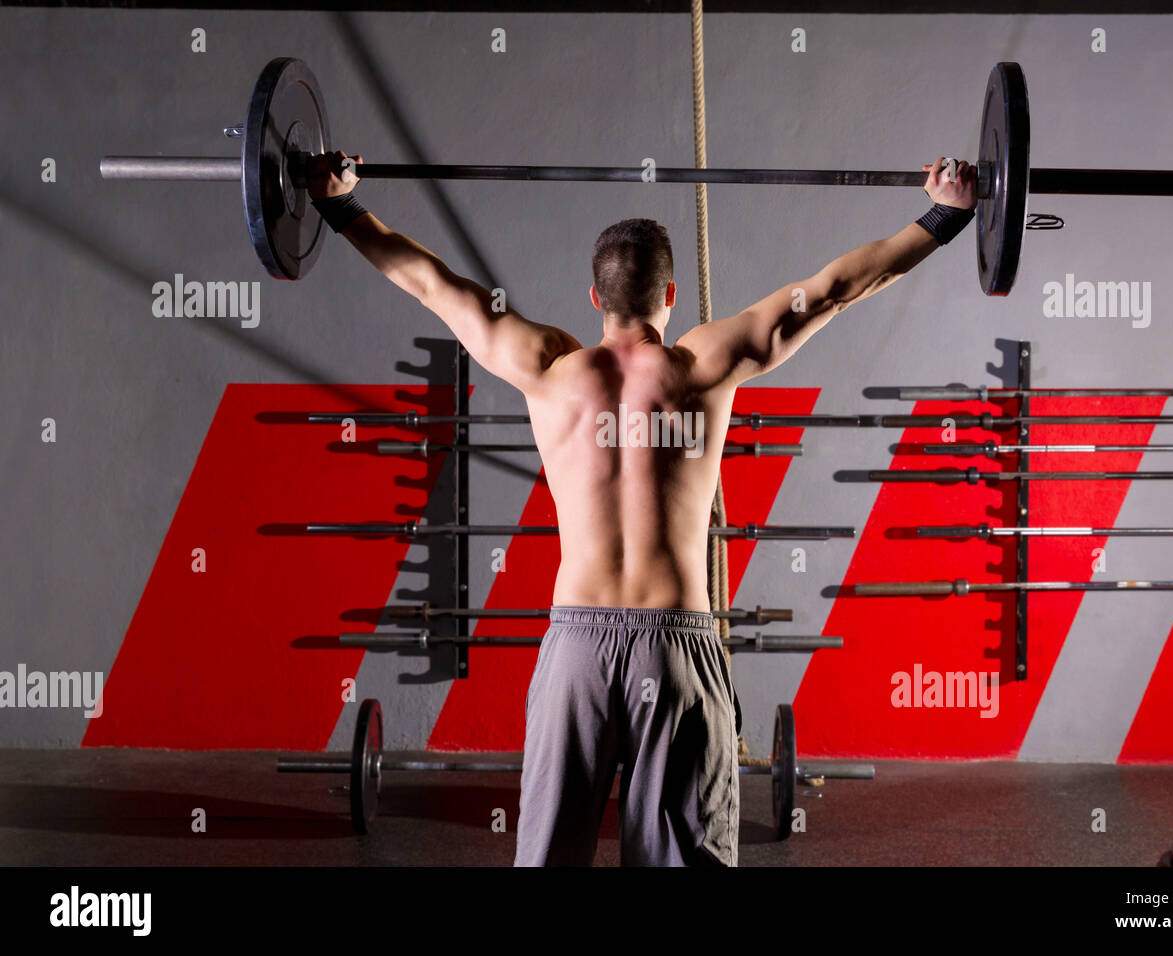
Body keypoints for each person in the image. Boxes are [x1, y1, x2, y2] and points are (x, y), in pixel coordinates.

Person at [308, 152, 977, 866]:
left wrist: (338, 203)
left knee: (548, 857)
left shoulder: (545, 366)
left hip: (575, 652)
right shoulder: (706, 362)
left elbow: (433, 286)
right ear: (671, 295)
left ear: (595, 298)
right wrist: (946, 214)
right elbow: (836, 289)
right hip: (675, 642)